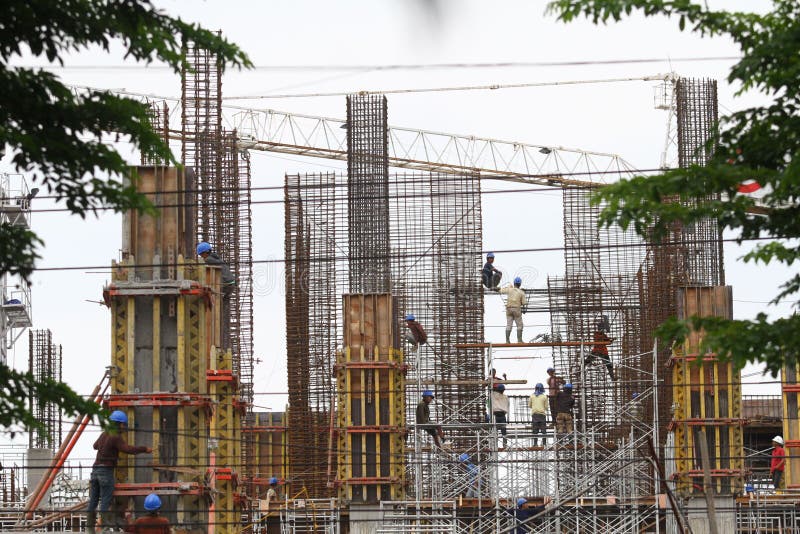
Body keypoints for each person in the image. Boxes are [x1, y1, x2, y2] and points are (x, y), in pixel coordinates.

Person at [87, 411, 152, 533]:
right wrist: (144, 449)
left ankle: (89, 529)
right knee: (106, 500)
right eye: (123, 424)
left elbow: (95, 446)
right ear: (119, 424)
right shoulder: (115, 436)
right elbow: (127, 449)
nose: (124, 427)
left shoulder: (104, 434)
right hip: (105, 471)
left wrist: (108, 449)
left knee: (93, 500)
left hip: (95, 470)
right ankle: (105, 529)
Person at [585, 315, 614, 380]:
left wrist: (610, 340)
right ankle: (581, 371)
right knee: (587, 361)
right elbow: (601, 340)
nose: (603, 330)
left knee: (609, 365)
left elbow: (608, 341)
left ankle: (612, 377)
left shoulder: (603, 335)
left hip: (603, 352)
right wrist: (607, 339)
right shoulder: (596, 334)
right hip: (597, 351)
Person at [499, 277, 526, 343]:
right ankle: (519, 340)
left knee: (509, 325)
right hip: (516, 309)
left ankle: (507, 340)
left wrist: (495, 289)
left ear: (514, 283)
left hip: (508, 309)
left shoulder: (510, 289)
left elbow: (500, 290)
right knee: (519, 325)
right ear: (520, 284)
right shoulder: (522, 292)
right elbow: (524, 303)